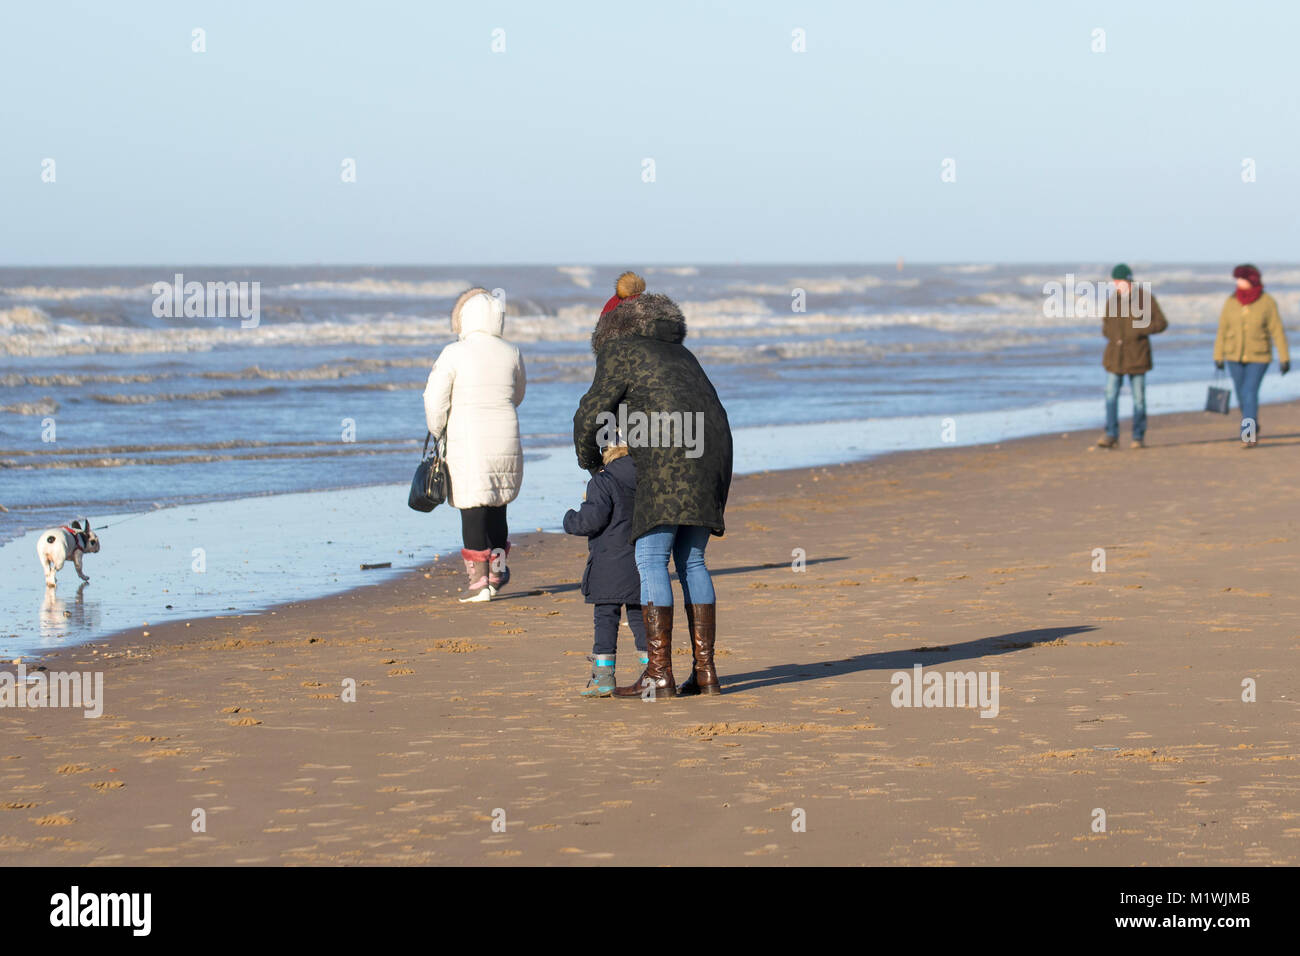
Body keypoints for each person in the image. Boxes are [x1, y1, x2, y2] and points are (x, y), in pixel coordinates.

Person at [573, 273, 733, 700]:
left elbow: (591, 412)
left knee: (650, 560)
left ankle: (658, 674)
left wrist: (593, 465)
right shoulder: (683, 354)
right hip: (713, 455)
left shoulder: (620, 351)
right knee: (693, 561)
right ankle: (706, 673)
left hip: (670, 459)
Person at [423, 288, 526, 601]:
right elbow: (517, 394)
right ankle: (498, 570)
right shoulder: (512, 351)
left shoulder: (454, 353)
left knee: (472, 509)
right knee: (498, 507)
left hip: (468, 439)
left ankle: (479, 582)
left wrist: (437, 429)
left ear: (465, 318)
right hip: (505, 435)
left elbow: (434, 399)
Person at [562, 441, 648, 697]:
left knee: (606, 618)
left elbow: (590, 520)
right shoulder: (647, 477)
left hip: (609, 562)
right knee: (639, 618)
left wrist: (569, 519)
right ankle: (651, 671)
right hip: (641, 560)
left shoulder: (604, 480)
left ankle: (603, 677)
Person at [1214, 264, 1289, 448]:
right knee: (1241, 396)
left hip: (1259, 356)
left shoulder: (1267, 302)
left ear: (1252, 280)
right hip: (1233, 356)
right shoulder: (1231, 301)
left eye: (1241, 278)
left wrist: (1284, 357)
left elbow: (1277, 330)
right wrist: (1218, 355)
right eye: (1237, 279)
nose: (1238, 282)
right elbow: (1222, 329)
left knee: (1249, 393)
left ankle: (1248, 434)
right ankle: (1251, 421)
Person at [1097, 263, 1167, 449]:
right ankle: (1111, 434)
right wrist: (1112, 336)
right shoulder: (1112, 301)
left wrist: (1139, 330)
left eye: (1119, 281)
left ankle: (1138, 436)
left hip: (1137, 356)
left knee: (1139, 399)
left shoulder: (1145, 299)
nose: (1116, 284)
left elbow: (1161, 323)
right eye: (1115, 281)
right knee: (1110, 395)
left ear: (1128, 281)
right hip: (1114, 357)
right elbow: (1106, 326)